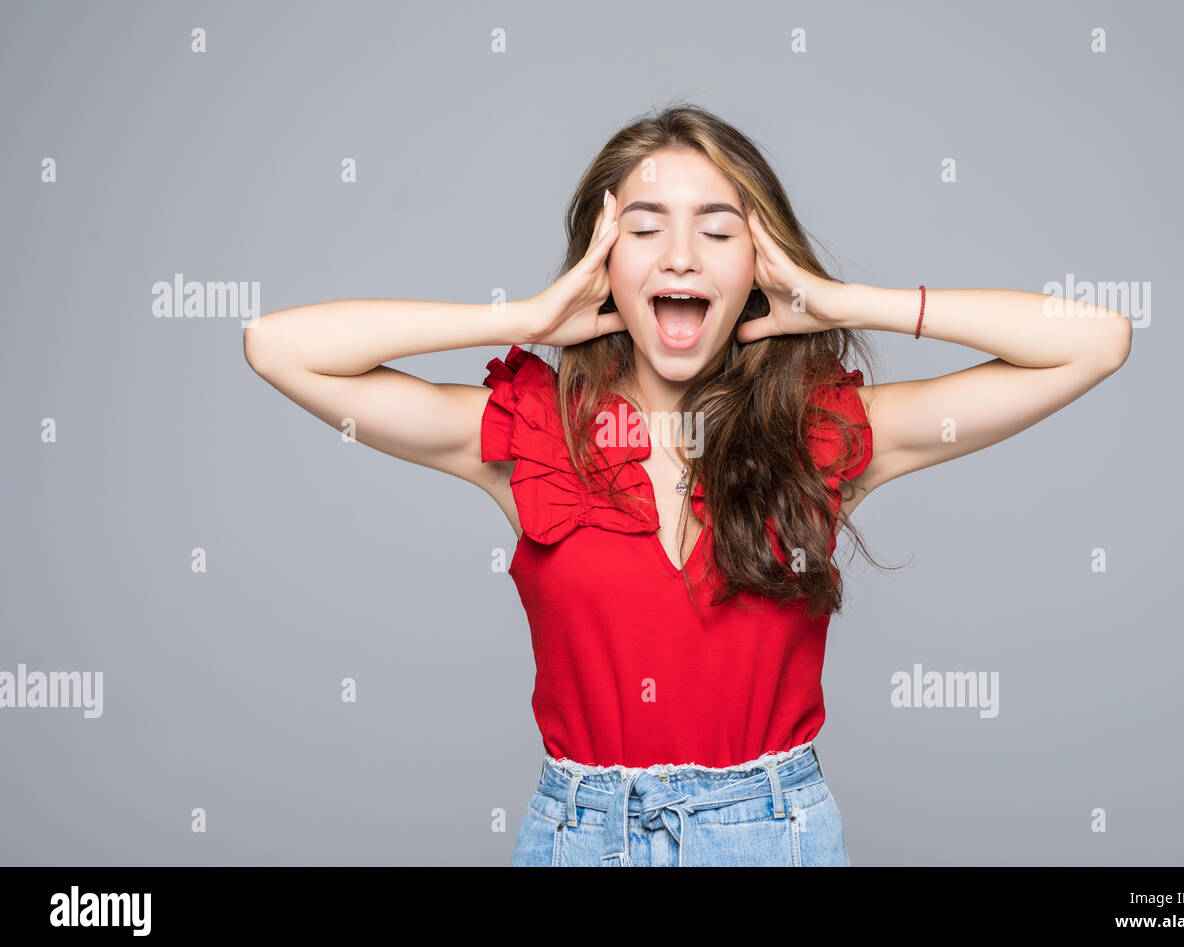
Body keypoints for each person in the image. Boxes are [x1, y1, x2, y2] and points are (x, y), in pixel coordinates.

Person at [242, 103, 1132, 866]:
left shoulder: (819, 437)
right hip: (580, 836)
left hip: (773, 833)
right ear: (602, 268)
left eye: (717, 230)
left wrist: (849, 300)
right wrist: (517, 316)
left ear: (758, 265)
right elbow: (277, 347)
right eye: (643, 229)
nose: (679, 257)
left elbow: (1094, 341)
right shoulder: (529, 434)